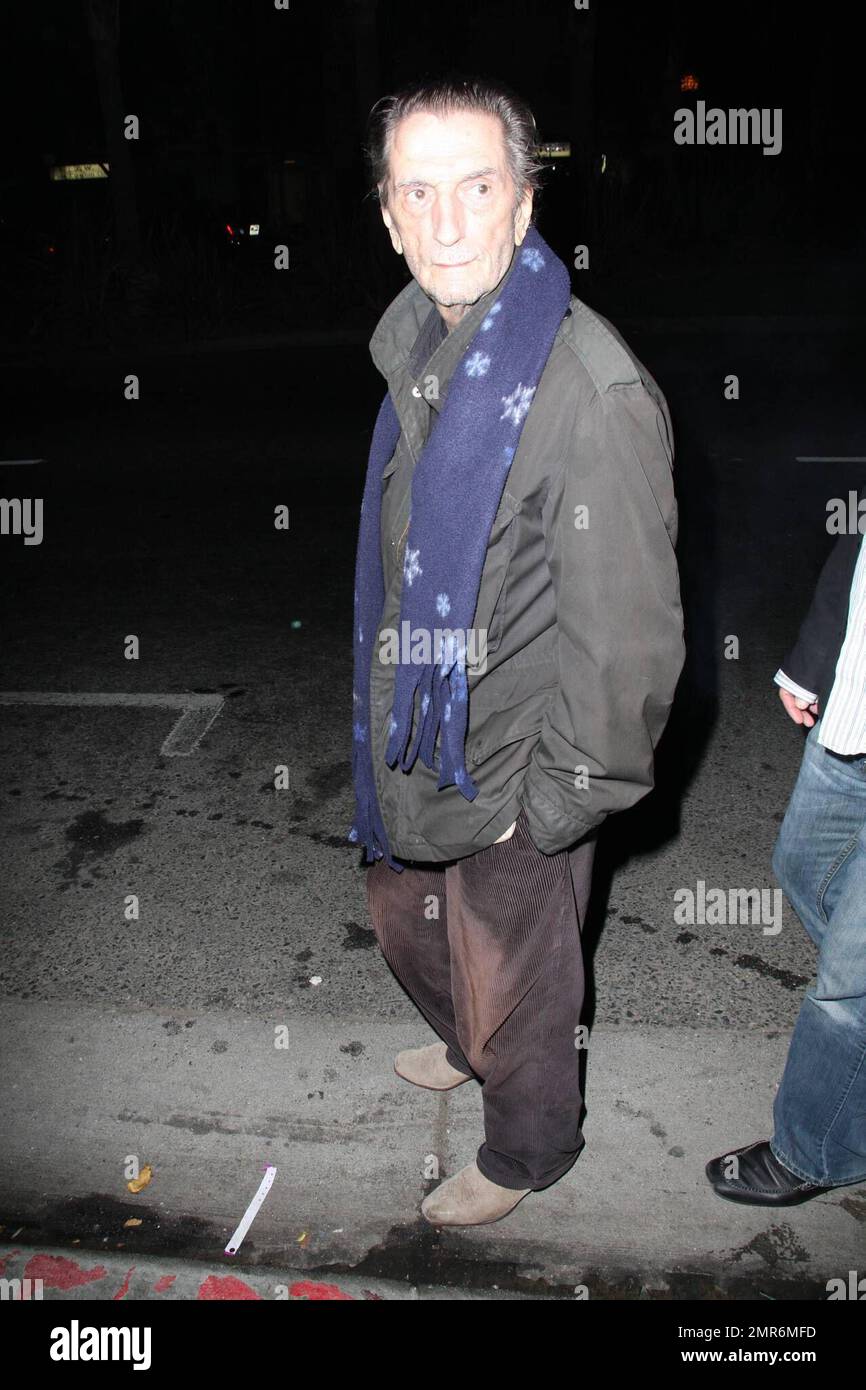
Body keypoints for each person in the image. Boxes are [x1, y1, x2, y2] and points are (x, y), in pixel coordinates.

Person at [348, 75, 685, 1226]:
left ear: (523, 205)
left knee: (519, 973)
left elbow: (629, 650)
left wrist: (550, 812)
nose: (445, 221)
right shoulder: (422, 347)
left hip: (521, 763)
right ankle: (464, 1034)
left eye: (475, 187)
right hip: (419, 734)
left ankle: (526, 1148)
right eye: (417, 192)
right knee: (405, 913)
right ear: (389, 214)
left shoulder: (587, 390)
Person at [707, 484, 866, 1204]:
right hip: (853, 718)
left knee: (847, 984)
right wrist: (815, 656)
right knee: (802, 866)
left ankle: (817, 1151)